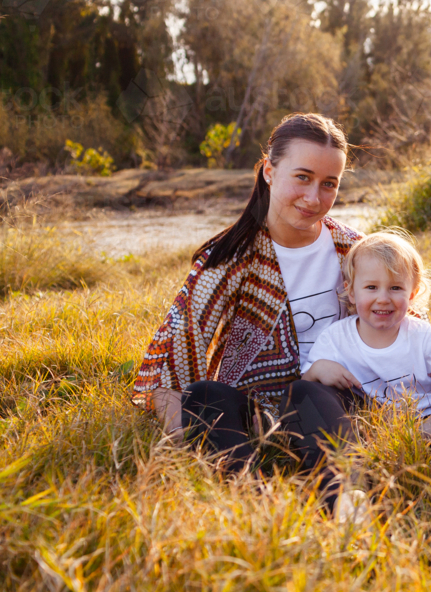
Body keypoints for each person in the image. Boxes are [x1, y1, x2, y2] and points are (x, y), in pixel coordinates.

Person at [132, 112, 366, 518]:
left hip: (330, 400)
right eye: (303, 177)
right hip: (254, 408)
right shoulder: (230, 257)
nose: (314, 197)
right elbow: (178, 348)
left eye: (330, 184)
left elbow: (407, 326)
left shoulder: (353, 249)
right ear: (269, 172)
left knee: (308, 394)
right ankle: (250, 502)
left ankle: (343, 504)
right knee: (206, 395)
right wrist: (180, 430)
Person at [305, 231, 431, 439]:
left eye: (395, 288)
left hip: (424, 420)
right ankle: (349, 455)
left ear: (412, 294)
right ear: (351, 292)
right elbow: (307, 385)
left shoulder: (420, 335)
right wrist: (317, 369)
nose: (383, 299)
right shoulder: (336, 337)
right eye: (371, 287)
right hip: (365, 423)